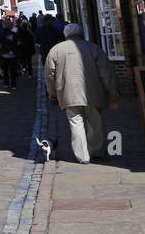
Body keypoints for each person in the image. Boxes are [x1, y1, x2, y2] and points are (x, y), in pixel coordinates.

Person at [46, 23, 119, 164]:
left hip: (68, 93)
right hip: (94, 92)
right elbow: (106, 72)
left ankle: (83, 156)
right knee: (95, 121)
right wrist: (113, 91)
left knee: (75, 123)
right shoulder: (94, 48)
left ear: (65, 35)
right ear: (81, 34)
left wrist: (52, 92)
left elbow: (49, 75)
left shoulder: (56, 50)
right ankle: (96, 151)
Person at [0, 22, 20, 90]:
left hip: (4, 53)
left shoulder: (1, 34)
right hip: (12, 54)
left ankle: (6, 84)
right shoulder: (13, 33)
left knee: (5, 70)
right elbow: (18, 43)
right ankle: (13, 85)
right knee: (12, 70)